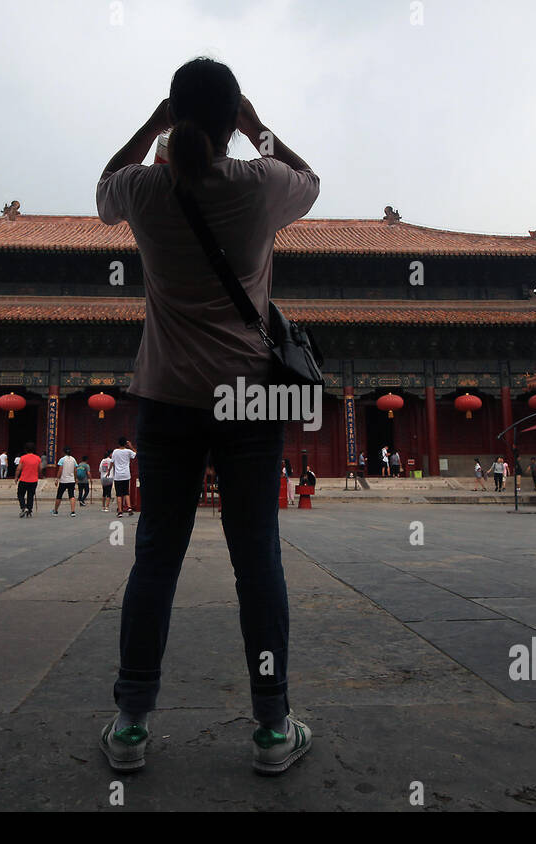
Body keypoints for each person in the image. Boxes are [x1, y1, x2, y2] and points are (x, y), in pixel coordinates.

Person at [94, 58, 318, 774]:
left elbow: (103, 184)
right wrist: (256, 124)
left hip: (165, 400)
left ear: (173, 115)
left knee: (156, 556)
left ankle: (131, 725)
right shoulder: (260, 185)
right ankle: (274, 726)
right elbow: (310, 179)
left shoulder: (144, 188)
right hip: (250, 400)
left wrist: (152, 126)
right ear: (231, 119)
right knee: (258, 561)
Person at [111, 437, 137, 517]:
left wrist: (109, 471)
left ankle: (120, 511)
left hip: (118, 476)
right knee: (126, 492)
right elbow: (136, 453)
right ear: (126, 443)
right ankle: (129, 508)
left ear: (118, 443)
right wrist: (131, 446)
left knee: (119, 494)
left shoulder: (115, 451)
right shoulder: (128, 451)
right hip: (126, 474)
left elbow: (112, 462)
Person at [15, 441, 40, 517]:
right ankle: (29, 509)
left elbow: (18, 469)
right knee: (30, 495)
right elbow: (40, 468)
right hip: (34, 480)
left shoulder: (23, 458)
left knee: (20, 494)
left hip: (23, 480)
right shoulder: (38, 458)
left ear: (26, 449)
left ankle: (23, 507)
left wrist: (16, 477)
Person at [53, 447, 78, 516]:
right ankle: (73, 511)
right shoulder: (73, 459)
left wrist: (57, 479)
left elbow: (60, 470)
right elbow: (75, 470)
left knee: (59, 496)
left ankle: (55, 511)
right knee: (71, 495)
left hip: (63, 481)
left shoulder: (62, 459)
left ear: (64, 452)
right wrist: (76, 478)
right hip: (71, 480)